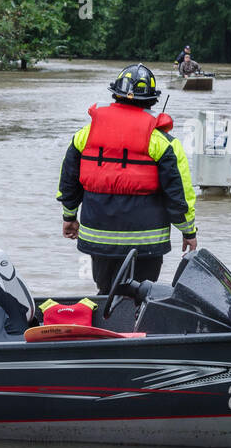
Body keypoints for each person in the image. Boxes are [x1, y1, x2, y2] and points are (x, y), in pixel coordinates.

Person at [58, 63, 199, 295]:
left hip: (99, 237)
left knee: (105, 292)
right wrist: (188, 232)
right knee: (142, 294)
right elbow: (179, 194)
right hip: (147, 243)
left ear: (115, 95)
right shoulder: (163, 141)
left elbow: (69, 180)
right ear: (152, 101)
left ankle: (104, 326)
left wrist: (69, 216)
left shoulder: (86, 134)